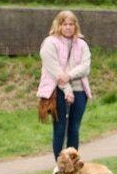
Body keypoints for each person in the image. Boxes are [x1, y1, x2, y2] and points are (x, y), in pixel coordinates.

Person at [39, 9, 93, 160]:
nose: (68, 27)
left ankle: (73, 164)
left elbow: (85, 66)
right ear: (59, 25)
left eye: (71, 24)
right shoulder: (49, 43)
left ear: (75, 26)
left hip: (80, 91)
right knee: (60, 128)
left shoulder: (82, 44)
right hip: (58, 91)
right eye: (65, 24)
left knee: (74, 129)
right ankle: (60, 165)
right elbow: (53, 69)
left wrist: (69, 76)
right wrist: (66, 88)